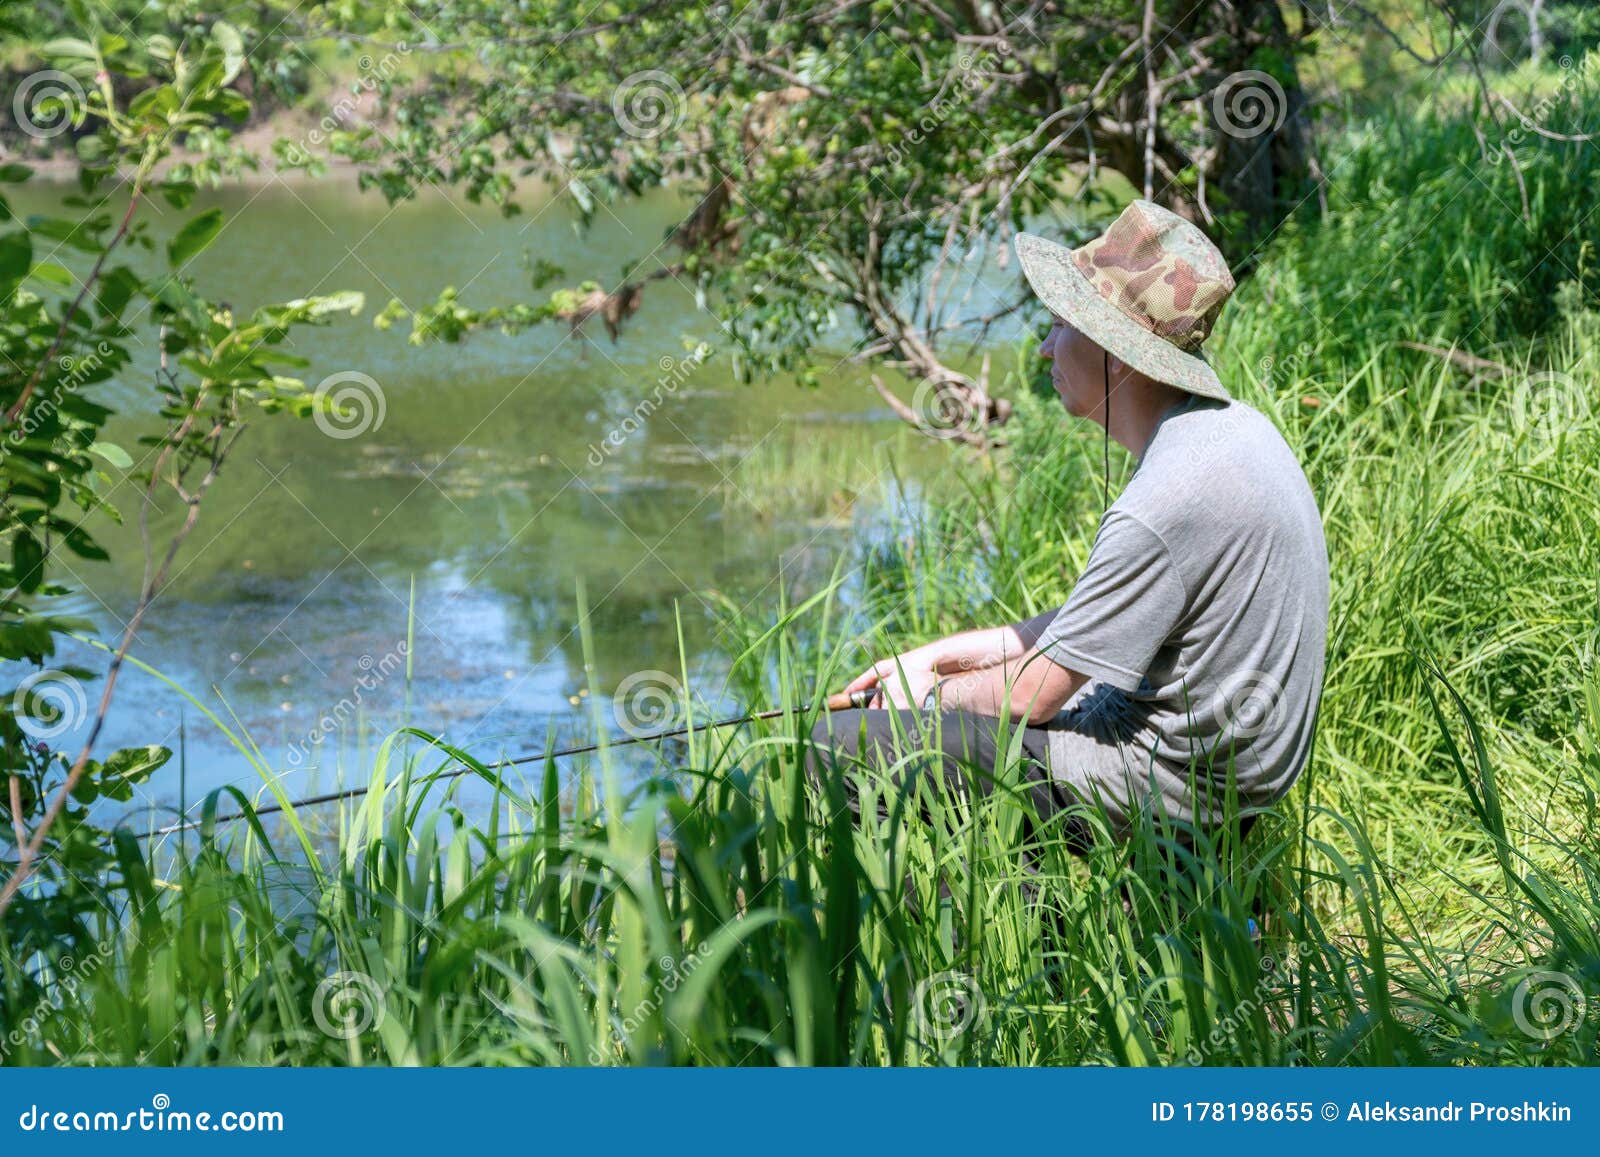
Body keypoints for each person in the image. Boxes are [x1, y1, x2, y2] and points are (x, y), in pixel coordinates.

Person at [809, 199, 1330, 843]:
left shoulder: (1163, 500)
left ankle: (1020, 936)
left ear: (1118, 353)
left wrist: (922, 698)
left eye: (1061, 325)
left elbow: (1033, 696)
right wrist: (939, 658)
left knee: (834, 752)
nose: (1043, 346)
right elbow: (1092, 632)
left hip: (1176, 788)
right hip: (1235, 775)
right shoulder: (1226, 433)